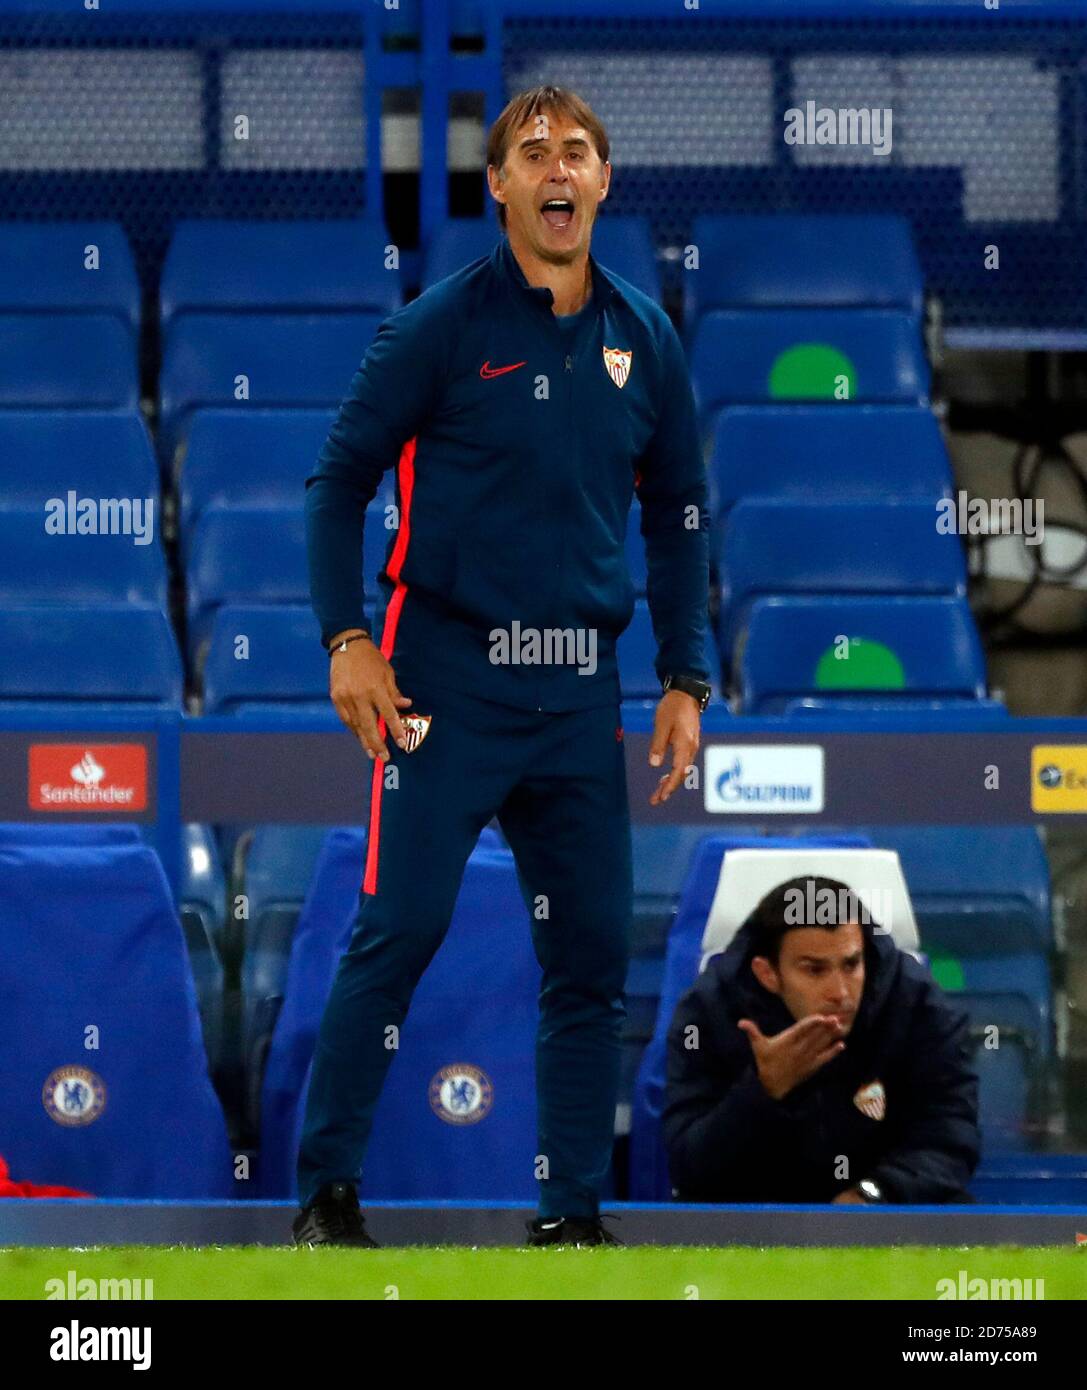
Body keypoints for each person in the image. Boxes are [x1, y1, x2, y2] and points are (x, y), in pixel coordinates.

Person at [292, 84, 712, 1247]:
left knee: (588, 960)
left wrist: (685, 676)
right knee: (398, 931)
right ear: (502, 188)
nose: (557, 168)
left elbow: (678, 513)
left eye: (577, 150)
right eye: (533, 153)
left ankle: (569, 1217)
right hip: (443, 684)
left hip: (579, 691)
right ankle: (325, 1196)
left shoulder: (646, 338)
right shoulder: (438, 327)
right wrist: (345, 639)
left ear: (604, 181)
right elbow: (335, 483)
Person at [663, 876, 980, 1204]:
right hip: (754, 1213)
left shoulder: (918, 1005)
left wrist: (874, 1193)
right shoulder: (708, 1013)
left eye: (851, 964)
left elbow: (951, 1138)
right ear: (768, 974)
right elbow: (689, 1169)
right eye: (815, 970)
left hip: (885, 1208)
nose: (840, 993)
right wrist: (761, 1092)